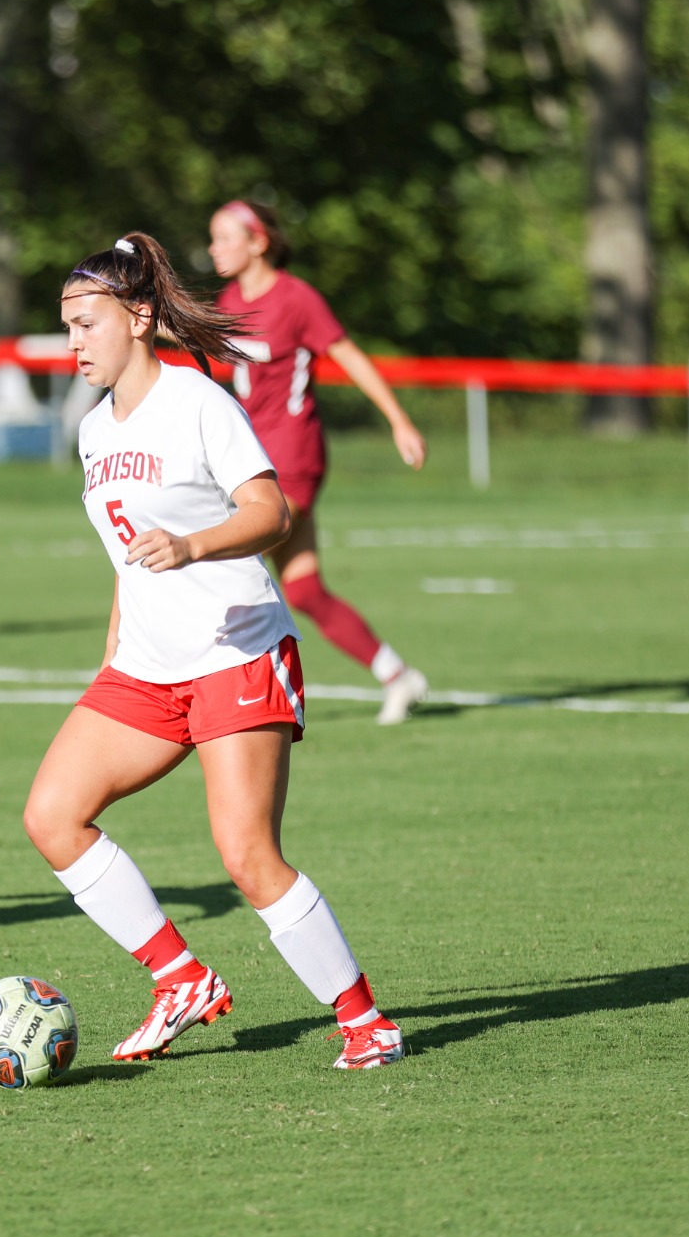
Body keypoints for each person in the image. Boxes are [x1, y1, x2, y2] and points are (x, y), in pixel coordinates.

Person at [23, 233, 405, 1070]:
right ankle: (179, 978)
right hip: (147, 668)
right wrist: (112, 651)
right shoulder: (92, 432)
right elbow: (128, 556)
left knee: (246, 856)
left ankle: (365, 1020)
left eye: (88, 323)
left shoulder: (197, 401)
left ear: (141, 317)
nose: (75, 342)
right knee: (52, 815)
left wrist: (193, 546)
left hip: (236, 650)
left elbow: (273, 514)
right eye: (67, 326)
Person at [210, 200, 431, 725]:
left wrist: (398, 419)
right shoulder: (227, 299)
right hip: (255, 460)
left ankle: (235, 696)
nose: (214, 248)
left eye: (224, 237)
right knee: (304, 588)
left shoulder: (296, 297)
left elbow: (348, 354)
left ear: (258, 241)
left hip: (295, 456)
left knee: (230, 562)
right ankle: (399, 676)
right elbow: (213, 359)